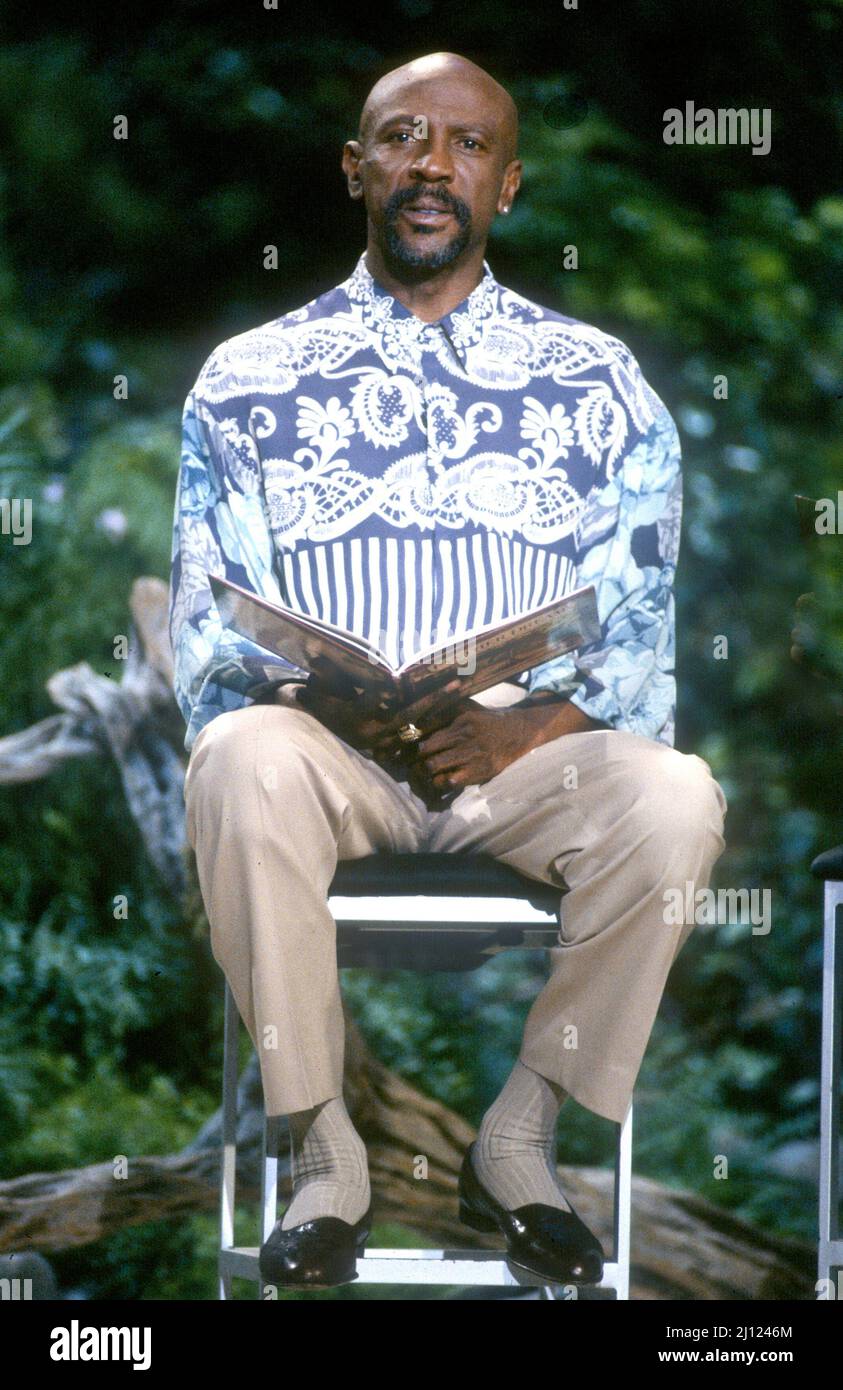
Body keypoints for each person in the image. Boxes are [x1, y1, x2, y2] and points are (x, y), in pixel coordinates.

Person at [169, 51, 727, 1290]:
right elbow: (210, 648)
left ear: (509, 186)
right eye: (404, 137)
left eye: (467, 145)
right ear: (355, 168)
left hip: (521, 764)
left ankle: (520, 1136)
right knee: (237, 754)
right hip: (325, 753)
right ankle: (325, 1155)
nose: (433, 165)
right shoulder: (246, 382)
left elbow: (637, 641)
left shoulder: (601, 387)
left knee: (679, 794)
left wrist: (518, 732)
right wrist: (327, 700)